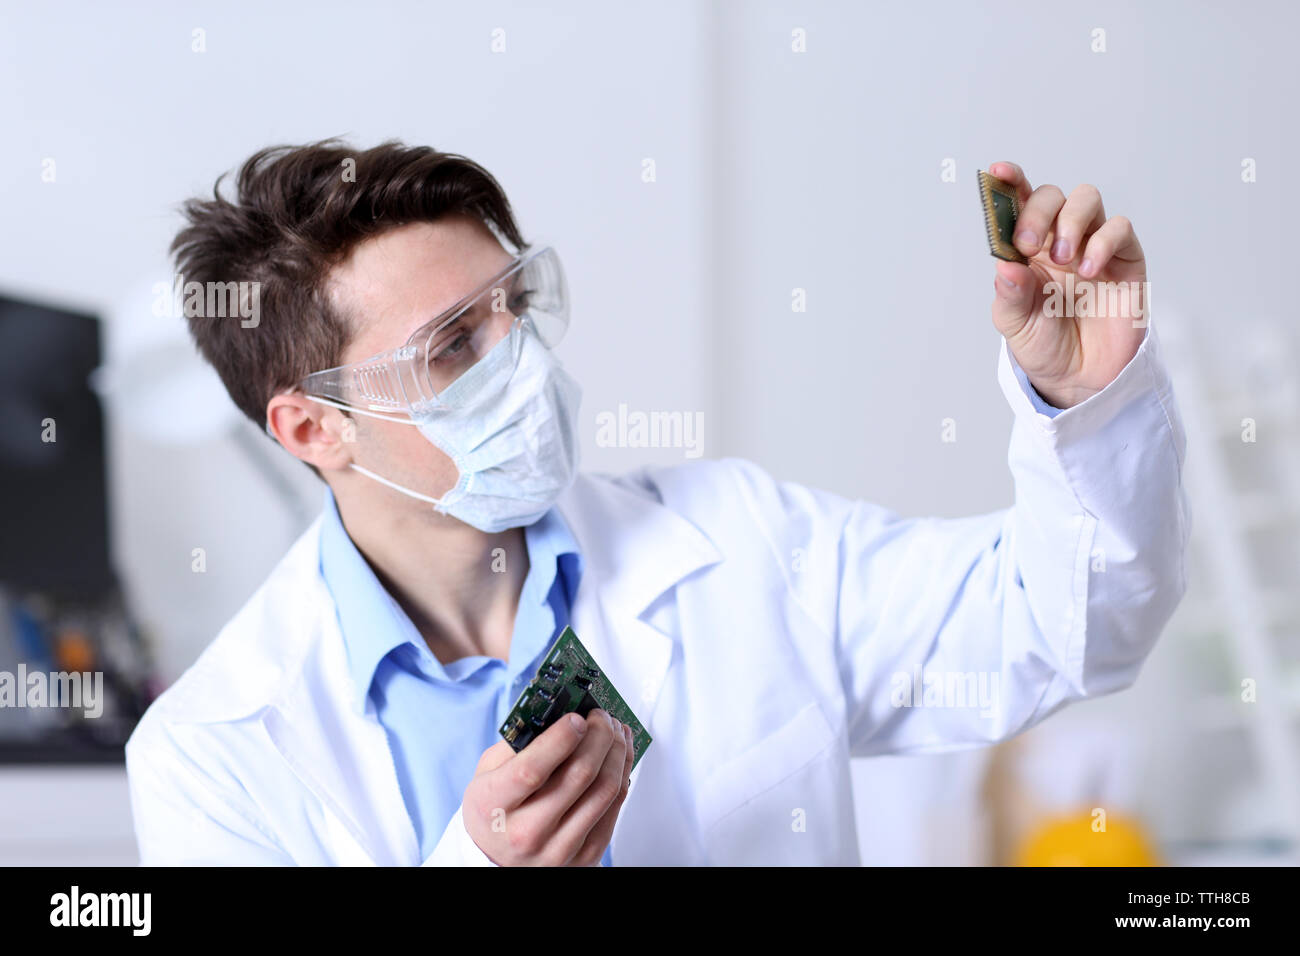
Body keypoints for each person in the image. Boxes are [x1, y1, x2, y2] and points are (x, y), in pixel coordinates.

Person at [124, 140, 1188, 866]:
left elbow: (1066, 628)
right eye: (453, 345)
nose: (522, 358)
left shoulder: (741, 544)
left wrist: (1086, 396)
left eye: (515, 307)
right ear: (314, 428)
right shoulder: (208, 750)